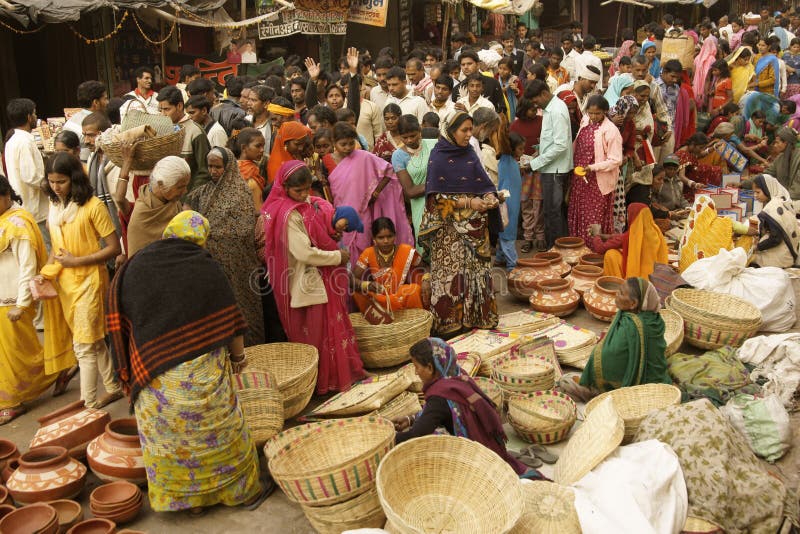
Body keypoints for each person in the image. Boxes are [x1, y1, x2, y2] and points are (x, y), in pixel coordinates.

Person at [107, 211, 266, 513]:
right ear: (201, 238)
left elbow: (124, 323)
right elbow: (231, 323)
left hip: (154, 373)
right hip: (201, 375)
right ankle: (237, 492)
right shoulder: (205, 267)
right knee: (223, 430)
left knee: (171, 439)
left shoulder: (136, 265)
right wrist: (239, 359)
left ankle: (189, 500)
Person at [263, 160, 366, 393]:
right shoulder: (288, 215)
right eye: (297, 190)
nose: (302, 195)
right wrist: (336, 257)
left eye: (306, 189)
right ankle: (323, 382)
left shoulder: (308, 203)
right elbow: (303, 253)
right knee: (319, 333)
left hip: (323, 277)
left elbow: (323, 216)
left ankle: (346, 373)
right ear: (284, 187)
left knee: (336, 326)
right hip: (307, 278)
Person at [34, 152, 122, 409]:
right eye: (51, 181)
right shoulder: (55, 205)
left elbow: (114, 248)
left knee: (83, 346)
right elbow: (57, 248)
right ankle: (114, 387)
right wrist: (45, 271)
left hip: (90, 281)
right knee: (93, 341)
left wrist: (77, 262)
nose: (56, 187)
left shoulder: (93, 206)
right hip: (66, 285)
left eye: (61, 181)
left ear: (74, 179)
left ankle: (88, 405)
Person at [393, 338, 529, 476]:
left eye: (417, 367)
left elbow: (416, 434)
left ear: (429, 367)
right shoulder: (457, 375)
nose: (416, 372)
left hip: (476, 457)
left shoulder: (439, 396)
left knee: (427, 448)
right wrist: (411, 419)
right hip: (488, 443)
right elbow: (432, 413)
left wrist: (390, 439)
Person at [0, 177, 76, 424]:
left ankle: (13, 401)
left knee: (18, 355)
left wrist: (22, 304)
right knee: (15, 354)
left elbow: (27, 267)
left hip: (13, 301)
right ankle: (57, 369)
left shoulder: (18, 223)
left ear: (5, 196)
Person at [419, 112, 499, 336]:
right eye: (464, 130)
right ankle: (450, 325)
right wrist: (469, 202)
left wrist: (490, 196)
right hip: (449, 230)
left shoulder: (470, 153)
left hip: (474, 225)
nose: (468, 134)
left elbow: (483, 183)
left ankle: (476, 318)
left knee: (476, 272)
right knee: (451, 276)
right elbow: (436, 200)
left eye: (470, 129)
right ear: (451, 130)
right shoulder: (438, 156)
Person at [185, 147, 265, 346]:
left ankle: (249, 350)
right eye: (210, 166)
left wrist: (207, 233)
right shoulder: (204, 191)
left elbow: (243, 230)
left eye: (218, 167)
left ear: (228, 167)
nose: (213, 171)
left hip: (238, 265)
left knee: (242, 307)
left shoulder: (241, 194)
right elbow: (186, 209)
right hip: (212, 264)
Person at [329, 122, 413, 265]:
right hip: (340, 212)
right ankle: (353, 283)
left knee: (364, 242)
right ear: (334, 142)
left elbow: (388, 171)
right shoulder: (327, 160)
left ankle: (370, 278)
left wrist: (376, 192)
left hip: (364, 211)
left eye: (351, 143)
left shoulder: (363, 156)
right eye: (343, 144)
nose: (348, 148)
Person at [573, 278, 671, 396]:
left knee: (566, 382)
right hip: (658, 379)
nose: (616, 294)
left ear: (633, 304)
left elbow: (611, 356)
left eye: (621, 293)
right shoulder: (655, 320)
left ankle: (600, 393)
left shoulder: (631, 325)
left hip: (631, 388)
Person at [568, 94, 623, 242]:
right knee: (579, 212)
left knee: (593, 215)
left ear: (605, 111)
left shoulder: (611, 131)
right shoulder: (585, 121)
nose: (593, 116)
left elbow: (615, 160)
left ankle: (593, 250)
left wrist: (592, 168)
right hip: (580, 178)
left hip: (597, 182)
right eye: (590, 113)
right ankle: (578, 246)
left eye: (597, 113)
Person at [525, 80, 574, 248]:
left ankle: (556, 250)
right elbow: (552, 140)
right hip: (550, 166)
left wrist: (535, 163)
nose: (535, 104)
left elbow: (561, 145)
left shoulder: (557, 110)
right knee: (551, 211)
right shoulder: (550, 109)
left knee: (553, 212)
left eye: (535, 100)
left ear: (544, 94)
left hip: (555, 169)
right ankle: (554, 248)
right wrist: (539, 152)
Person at [352, 217, 427, 312]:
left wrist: (426, 280)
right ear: (374, 239)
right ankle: (381, 317)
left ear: (395, 236)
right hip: (380, 298)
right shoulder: (368, 253)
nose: (386, 241)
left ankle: (412, 317)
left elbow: (425, 267)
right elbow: (352, 279)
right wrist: (368, 285)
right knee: (358, 292)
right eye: (381, 237)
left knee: (414, 290)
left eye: (389, 236)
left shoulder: (406, 250)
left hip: (400, 296)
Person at [5, 98, 50, 249]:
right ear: (29, 117)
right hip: (35, 208)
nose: (36, 117)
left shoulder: (12, 140)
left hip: (27, 206)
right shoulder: (24, 141)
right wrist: (52, 187)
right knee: (48, 248)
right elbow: (31, 176)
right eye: (35, 114)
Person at [124, 156, 189, 257]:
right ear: (161, 184)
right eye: (180, 187)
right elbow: (137, 262)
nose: (185, 191)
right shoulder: (142, 214)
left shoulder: (174, 204)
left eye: (186, 186)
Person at [678, 195, 757, 272]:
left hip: (686, 272)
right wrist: (757, 232)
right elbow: (747, 231)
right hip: (710, 272)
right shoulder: (722, 222)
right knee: (748, 238)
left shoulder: (689, 226)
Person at [590, 202, 668, 278]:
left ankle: (617, 283)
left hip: (637, 278)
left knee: (611, 254)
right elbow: (621, 236)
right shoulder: (655, 231)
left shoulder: (631, 236)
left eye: (628, 214)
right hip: (655, 276)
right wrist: (603, 236)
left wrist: (596, 235)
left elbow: (600, 248)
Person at [392, 115, 434, 253]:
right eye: (404, 137)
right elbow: (410, 191)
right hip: (419, 206)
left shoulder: (434, 144)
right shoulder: (398, 156)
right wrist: (438, 185)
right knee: (425, 245)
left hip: (442, 203)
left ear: (420, 130)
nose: (409, 140)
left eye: (413, 135)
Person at [157, 85, 211, 192]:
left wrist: (190, 199)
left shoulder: (195, 132)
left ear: (180, 106)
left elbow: (204, 172)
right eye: (161, 110)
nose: (163, 114)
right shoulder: (161, 130)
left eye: (167, 109)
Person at [510, 97, 545, 253]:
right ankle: (528, 237)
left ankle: (540, 237)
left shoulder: (542, 121)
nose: (535, 112)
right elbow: (511, 147)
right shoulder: (515, 125)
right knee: (526, 205)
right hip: (522, 171)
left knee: (539, 204)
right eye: (532, 109)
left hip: (539, 169)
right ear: (523, 109)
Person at [750, 174, 799, 268]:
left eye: (758, 192)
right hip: (792, 249)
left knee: (752, 259)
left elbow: (776, 238)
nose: (755, 196)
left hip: (784, 255)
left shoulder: (772, 207)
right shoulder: (781, 200)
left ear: (767, 189)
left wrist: (758, 247)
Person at [495, 132, 523, 269]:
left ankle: (500, 258)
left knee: (505, 232)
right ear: (511, 148)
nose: (522, 152)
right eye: (520, 149)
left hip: (510, 203)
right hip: (508, 204)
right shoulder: (507, 162)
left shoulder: (508, 161)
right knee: (508, 235)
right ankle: (512, 266)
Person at [61, 80, 109, 162]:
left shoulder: (70, 122)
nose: (107, 102)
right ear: (96, 102)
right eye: (105, 99)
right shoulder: (96, 124)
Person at [232, 128, 267, 212]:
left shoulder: (236, 167)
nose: (262, 150)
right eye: (258, 146)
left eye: (263, 146)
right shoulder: (245, 172)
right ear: (244, 147)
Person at [763, 126, 800, 198]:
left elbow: (797, 190)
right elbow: (766, 175)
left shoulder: (798, 159)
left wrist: (779, 199)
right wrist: (743, 184)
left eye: (777, 142)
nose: (775, 145)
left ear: (785, 143)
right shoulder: (780, 158)